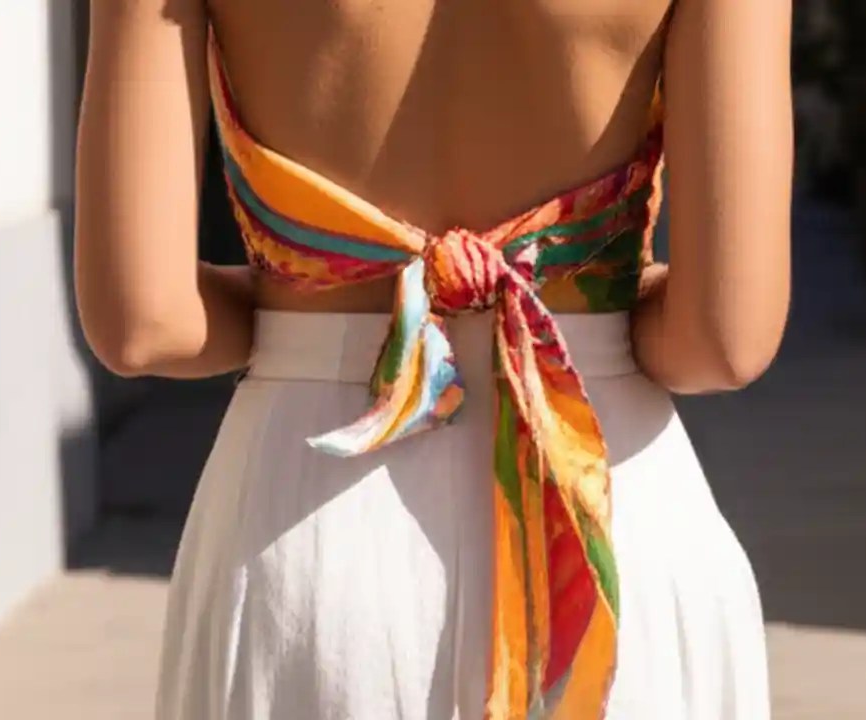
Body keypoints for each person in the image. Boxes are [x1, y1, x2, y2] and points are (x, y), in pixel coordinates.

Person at [75, 0, 792, 717]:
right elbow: (721, 341)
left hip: (307, 528)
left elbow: (146, 323)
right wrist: (587, 325)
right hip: (608, 523)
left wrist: (306, 322)